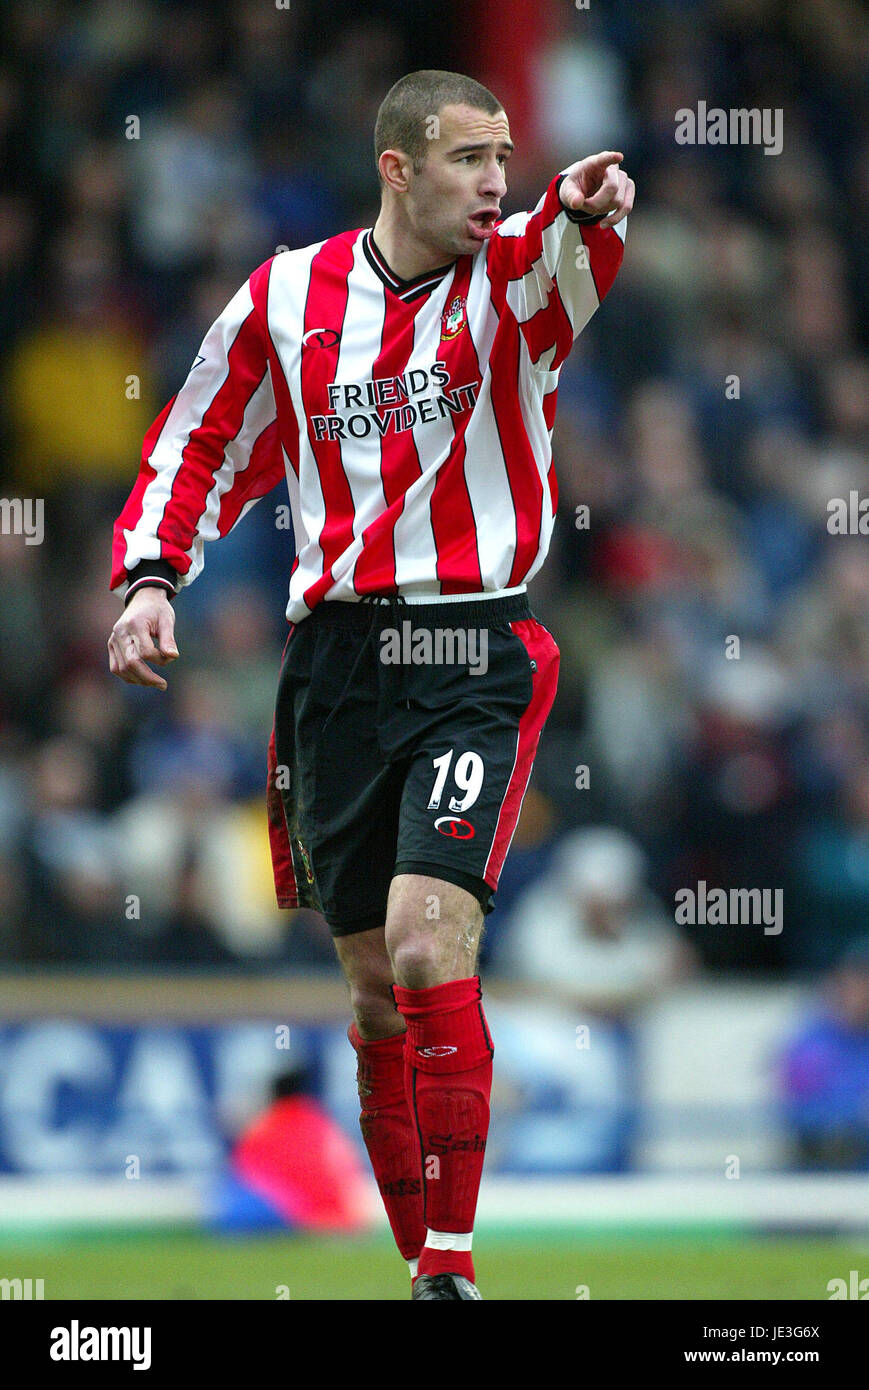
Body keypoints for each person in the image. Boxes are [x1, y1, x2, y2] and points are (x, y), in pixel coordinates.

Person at [108, 69, 633, 1299]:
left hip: (469, 650)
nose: (493, 182)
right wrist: (149, 577)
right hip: (335, 661)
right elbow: (200, 440)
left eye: (505, 159)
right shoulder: (288, 296)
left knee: (420, 939)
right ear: (396, 167)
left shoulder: (511, 279)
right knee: (369, 988)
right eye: (467, 160)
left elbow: (566, 255)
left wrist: (583, 201)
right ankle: (417, 1262)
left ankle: (450, 1263)